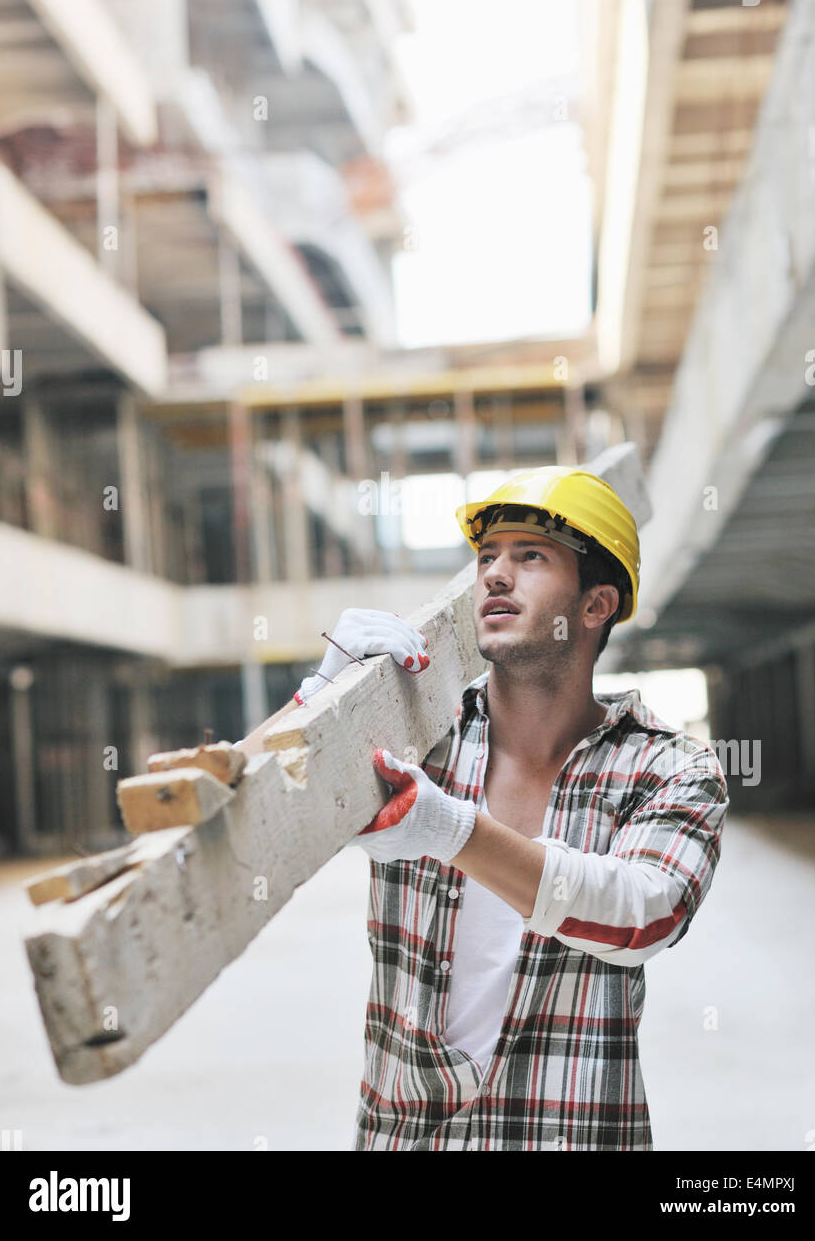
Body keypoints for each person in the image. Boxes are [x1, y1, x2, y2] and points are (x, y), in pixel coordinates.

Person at [291, 466, 729, 1151]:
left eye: (531, 557)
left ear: (595, 605)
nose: (496, 575)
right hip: (410, 1136)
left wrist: (449, 828)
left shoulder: (669, 769)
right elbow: (276, 819)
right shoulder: (421, 740)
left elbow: (645, 913)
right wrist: (323, 702)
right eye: (487, 557)